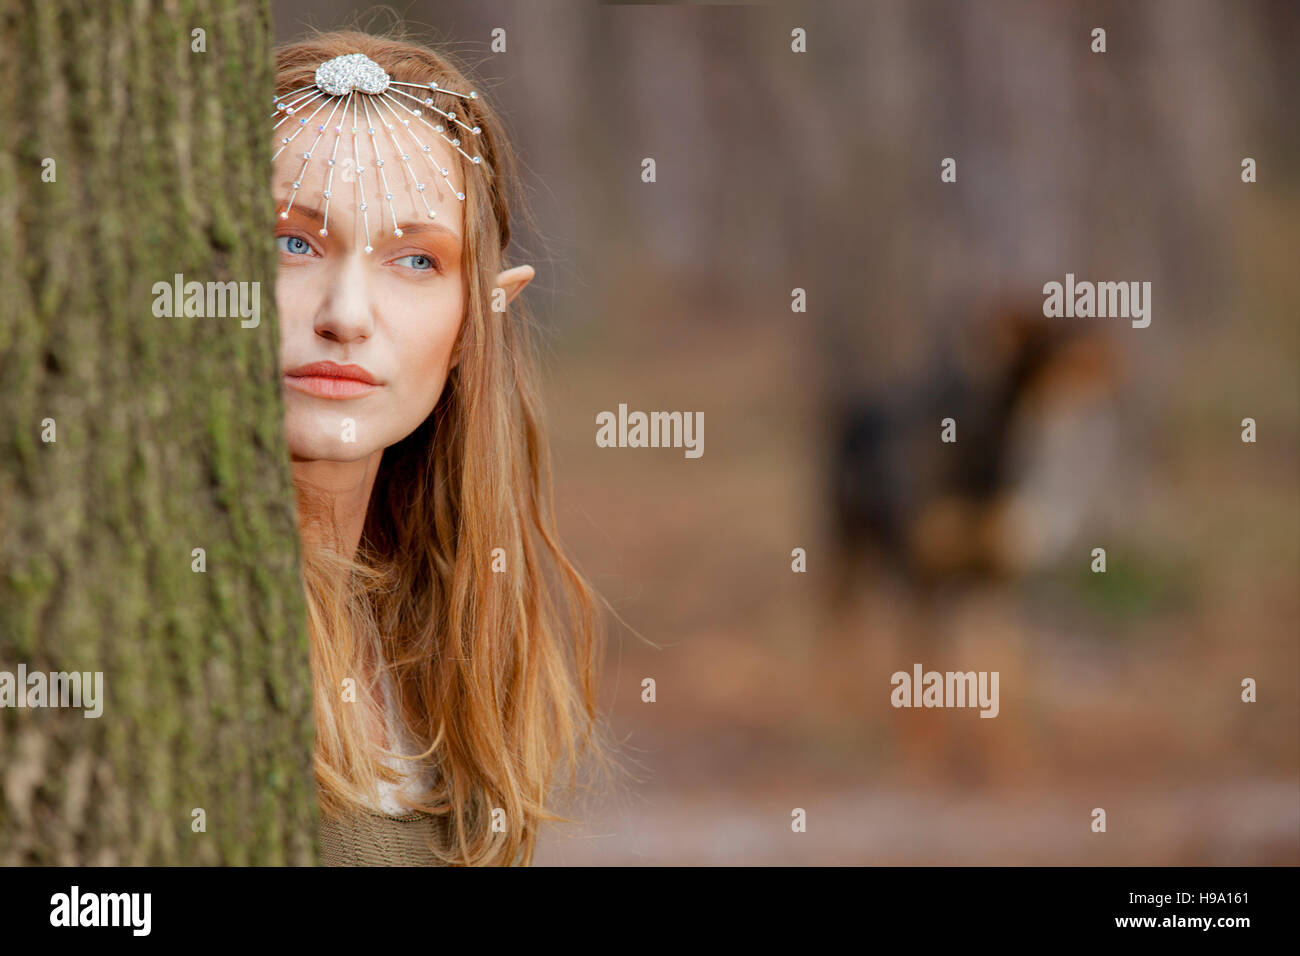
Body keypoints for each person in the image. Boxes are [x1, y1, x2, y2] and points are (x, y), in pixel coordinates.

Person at [271, 29, 615, 865]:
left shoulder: (439, 645)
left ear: (480, 316)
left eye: (416, 259)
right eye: (292, 242)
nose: (345, 314)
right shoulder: (140, 616)